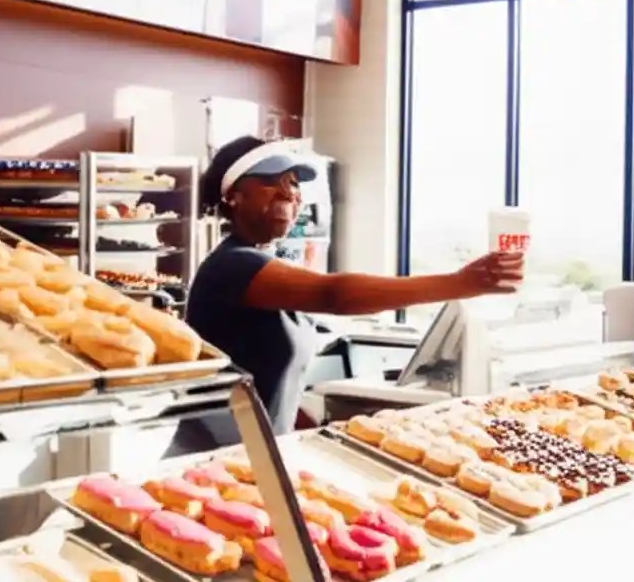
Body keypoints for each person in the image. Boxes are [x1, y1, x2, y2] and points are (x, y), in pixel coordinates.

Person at [186, 135, 523, 436]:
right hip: (217, 451)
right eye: (270, 181)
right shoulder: (232, 265)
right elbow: (335, 295)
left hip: (255, 448)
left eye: (293, 182)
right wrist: (460, 283)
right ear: (234, 196)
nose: (289, 193)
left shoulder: (264, 264)